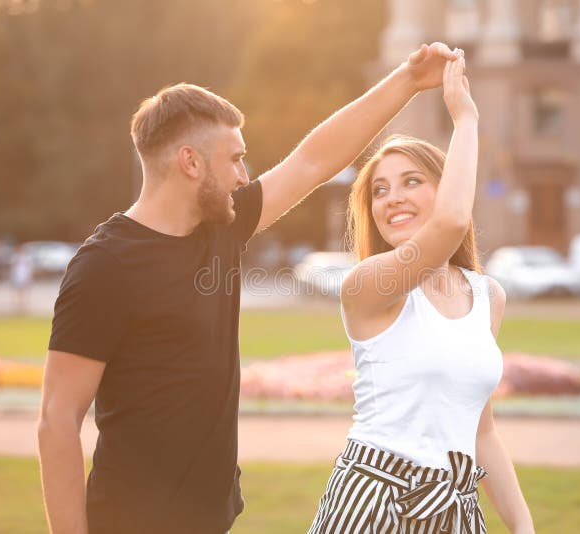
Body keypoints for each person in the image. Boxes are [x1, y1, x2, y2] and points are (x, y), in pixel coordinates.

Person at [37, 43, 461, 534]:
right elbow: (57, 418)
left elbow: (312, 161)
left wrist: (408, 80)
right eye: (236, 159)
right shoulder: (104, 265)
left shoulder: (221, 227)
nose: (244, 175)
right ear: (190, 162)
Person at [308, 56, 534, 533]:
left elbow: (482, 432)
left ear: (444, 187)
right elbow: (451, 222)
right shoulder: (367, 284)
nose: (392, 198)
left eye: (412, 181)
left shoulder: (487, 296)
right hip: (373, 503)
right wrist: (466, 118)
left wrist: (523, 526)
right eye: (379, 190)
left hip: (455, 509)